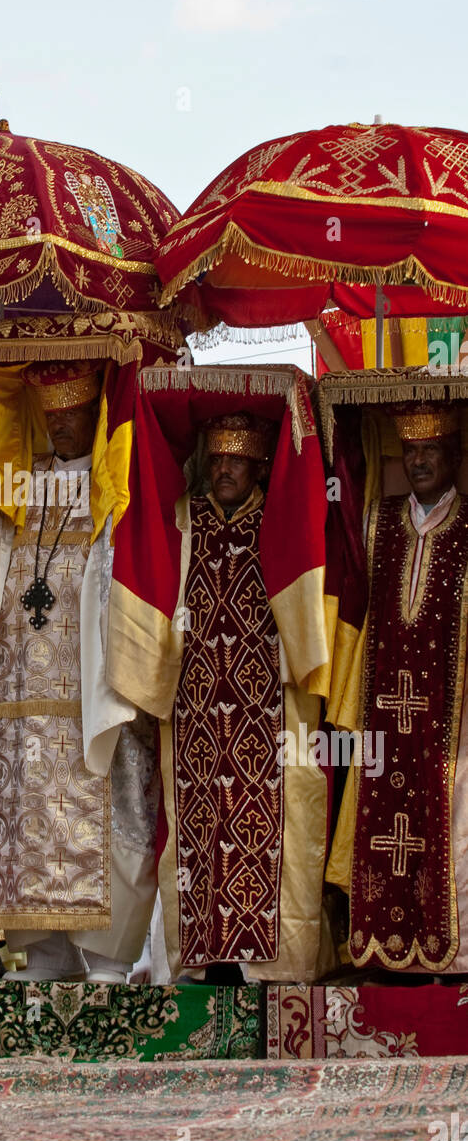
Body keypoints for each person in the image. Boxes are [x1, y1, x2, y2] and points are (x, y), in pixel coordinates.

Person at [109, 403, 331, 985]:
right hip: (196, 708)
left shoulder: (279, 522)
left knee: (266, 828)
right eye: (219, 459)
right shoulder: (184, 520)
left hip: (267, 709)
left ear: (260, 466)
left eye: (239, 460)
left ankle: (267, 965)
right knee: (200, 833)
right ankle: (207, 960)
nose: (226, 470)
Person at [0, 360, 159, 983]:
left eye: (74, 414)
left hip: (92, 684)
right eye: (54, 415)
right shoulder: (23, 483)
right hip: (23, 689)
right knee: (27, 812)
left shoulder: (113, 486)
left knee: (115, 804)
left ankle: (107, 956)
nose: (62, 425)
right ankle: (44, 951)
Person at [327, 402, 468, 974]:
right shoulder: (376, 520)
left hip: (453, 722)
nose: (419, 461)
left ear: (455, 456)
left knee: (455, 827)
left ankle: (454, 961)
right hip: (382, 715)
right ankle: (384, 958)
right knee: (379, 830)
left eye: (430, 450)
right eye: (410, 451)